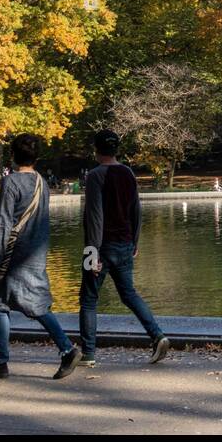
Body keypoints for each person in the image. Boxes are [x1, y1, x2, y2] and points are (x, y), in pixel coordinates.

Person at [0, 133, 80, 380]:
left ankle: (2, 362)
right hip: (35, 253)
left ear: (12, 156)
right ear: (37, 157)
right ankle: (66, 348)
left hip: (11, 255)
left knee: (1, 307)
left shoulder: (11, 183)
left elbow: (3, 223)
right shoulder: (42, 182)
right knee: (38, 306)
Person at [79, 129, 170, 368]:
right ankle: (158, 335)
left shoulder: (95, 175)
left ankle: (88, 353)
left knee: (88, 299)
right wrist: (135, 241)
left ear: (97, 149)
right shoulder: (128, 173)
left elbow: (94, 217)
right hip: (125, 244)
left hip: (102, 246)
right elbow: (136, 210)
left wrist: (92, 253)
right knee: (129, 294)